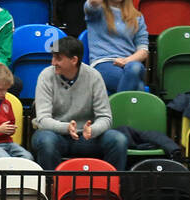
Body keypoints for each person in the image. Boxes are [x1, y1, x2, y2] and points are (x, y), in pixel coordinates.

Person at [31, 36, 128, 170]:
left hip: (87, 137)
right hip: (55, 134)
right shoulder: (46, 76)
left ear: (74, 60)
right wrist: (66, 127)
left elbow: (105, 117)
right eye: (53, 57)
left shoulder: (94, 76)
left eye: (58, 58)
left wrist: (92, 130)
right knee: (46, 141)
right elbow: (43, 119)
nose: (53, 62)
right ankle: (50, 187)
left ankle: (111, 187)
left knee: (118, 140)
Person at [83, 0, 149, 95]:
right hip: (103, 62)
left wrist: (126, 61)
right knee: (138, 86)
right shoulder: (97, 10)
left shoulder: (137, 17)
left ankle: (117, 108)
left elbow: (143, 51)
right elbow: (93, 3)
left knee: (135, 67)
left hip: (129, 63)